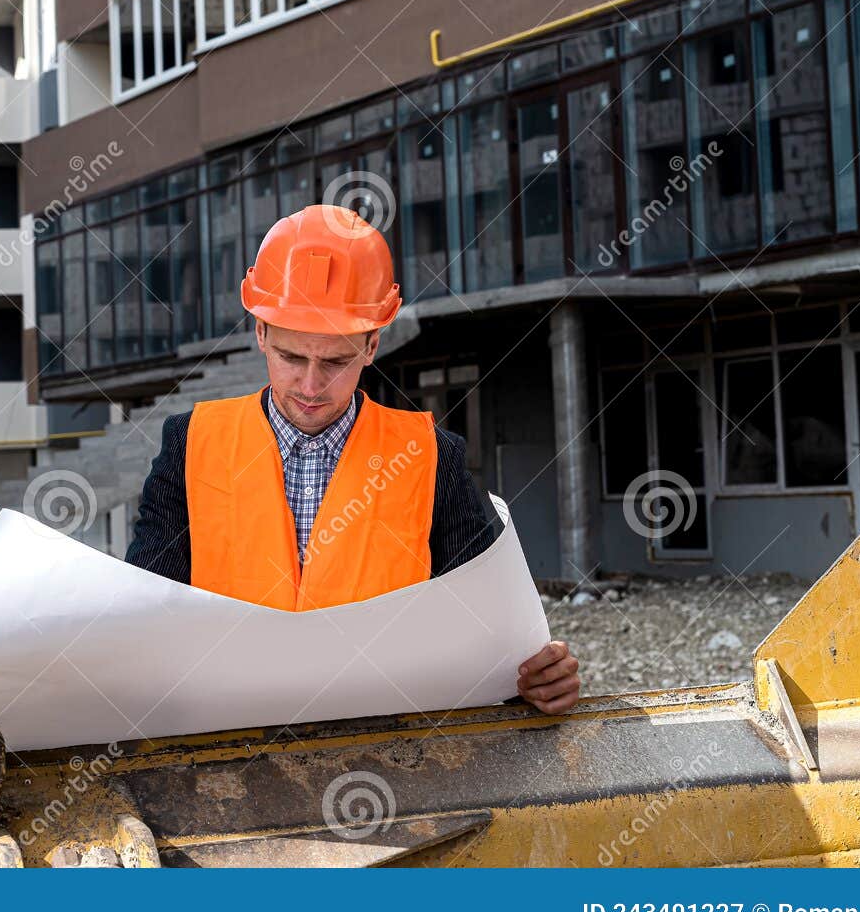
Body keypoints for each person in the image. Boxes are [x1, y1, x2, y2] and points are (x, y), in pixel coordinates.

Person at [126, 204, 581, 714]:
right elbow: (145, 620)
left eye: (336, 361)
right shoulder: (189, 445)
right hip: (227, 746)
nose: (311, 386)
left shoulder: (432, 457)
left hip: (388, 751)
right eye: (291, 357)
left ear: (371, 345)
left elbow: (491, 631)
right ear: (260, 333)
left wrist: (538, 679)